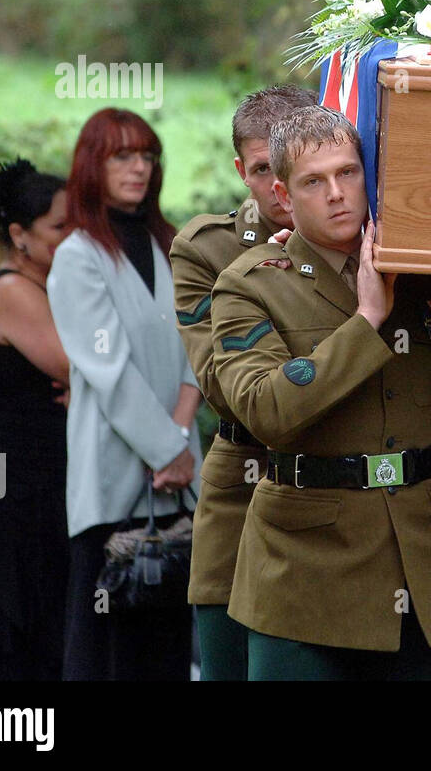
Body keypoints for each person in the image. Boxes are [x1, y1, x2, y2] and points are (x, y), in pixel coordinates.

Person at [211, 105, 431, 680]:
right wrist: (366, 318)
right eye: (314, 181)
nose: (336, 194)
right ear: (281, 193)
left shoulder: (422, 270)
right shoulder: (249, 285)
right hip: (306, 575)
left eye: (349, 173)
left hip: (422, 565)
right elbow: (265, 409)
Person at [46, 108, 203, 681]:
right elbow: (107, 370)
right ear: (94, 165)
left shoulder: (173, 241)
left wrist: (180, 438)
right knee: (105, 651)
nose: (139, 167)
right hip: (113, 480)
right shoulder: (77, 255)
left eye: (147, 155)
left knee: (166, 651)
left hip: (180, 478)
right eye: (122, 156)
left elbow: (198, 346)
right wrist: (170, 451)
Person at [170, 84, 315, 681]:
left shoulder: (364, 240)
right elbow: (229, 389)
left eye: (292, 166)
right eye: (262, 169)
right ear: (242, 171)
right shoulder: (210, 251)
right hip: (247, 482)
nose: (278, 185)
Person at [0, 159, 71, 680]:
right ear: (18, 235)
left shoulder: (46, 286)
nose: (73, 237)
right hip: (28, 486)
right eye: (60, 227)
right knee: (23, 630)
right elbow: (77, 364)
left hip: (51, 477)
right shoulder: (13, 291)